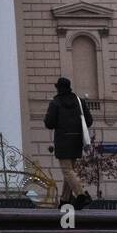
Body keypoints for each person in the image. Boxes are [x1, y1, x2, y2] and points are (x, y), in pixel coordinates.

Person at [44, 76, 93, 208]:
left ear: (58, 88)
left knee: (67, 170)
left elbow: (49, 123)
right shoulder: (79, 101)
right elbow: (89, 121)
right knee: (69, 170)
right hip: (77, 140)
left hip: (63, 141)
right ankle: (64, 200)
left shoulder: (55, 103)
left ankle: (81, 194)